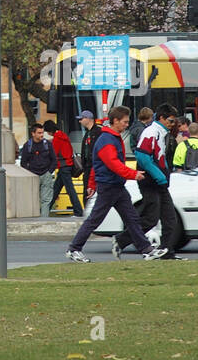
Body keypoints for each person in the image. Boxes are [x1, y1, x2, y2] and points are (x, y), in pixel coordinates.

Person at [66, 106, 167, 262]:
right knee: (97, 219)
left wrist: (92, 184)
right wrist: (133, 174)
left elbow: (97, 163)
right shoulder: (107, 140)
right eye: (125, 122)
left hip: (115, 185)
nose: (127, 125)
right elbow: (113, 164)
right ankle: (74, 248)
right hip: (109, 186)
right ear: (115, 121)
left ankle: (146, 250)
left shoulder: (110, 137)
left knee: (131, 219)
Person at [113, 104, 179, 261]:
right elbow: (142, 157)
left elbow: (159, 158)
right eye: (170, 120)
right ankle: (121, 240)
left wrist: (164, 175)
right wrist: (160, 176)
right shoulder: (151, 132)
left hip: (158, 181)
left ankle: (167, 252)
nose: (173, 124)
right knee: (151, 218)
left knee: (170, 219)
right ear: (161, 118)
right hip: (150, 181)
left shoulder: (161, 133)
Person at [19, 122, 57, 217]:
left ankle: (44, 219)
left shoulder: (47, 144)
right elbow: (23, 162)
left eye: (42, 133)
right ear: (33, 133)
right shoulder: (27, 145)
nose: (41, 135)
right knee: (33, 199)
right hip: (33, 175)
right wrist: (29, 173)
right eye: (39, 133)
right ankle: (34, 218)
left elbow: (54, 159)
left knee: (46, 199)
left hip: (46, 175)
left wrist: (49, 172)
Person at [46, 120, 83, 217]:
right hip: (68, 165)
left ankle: (78, 211)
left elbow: (53, 154)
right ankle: (46, 210)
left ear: (50, 130)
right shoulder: (64, 136)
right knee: (56, 189)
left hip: (63, 167)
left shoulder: (57, 139)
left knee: (70, 190)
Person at [79, 110, 102, 195]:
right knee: (86, 193)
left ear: (88, 119)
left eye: (81, 119)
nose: (79, 121)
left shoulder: (98, 132)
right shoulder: (87, 133)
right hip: (87, 168)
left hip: (94, 167)